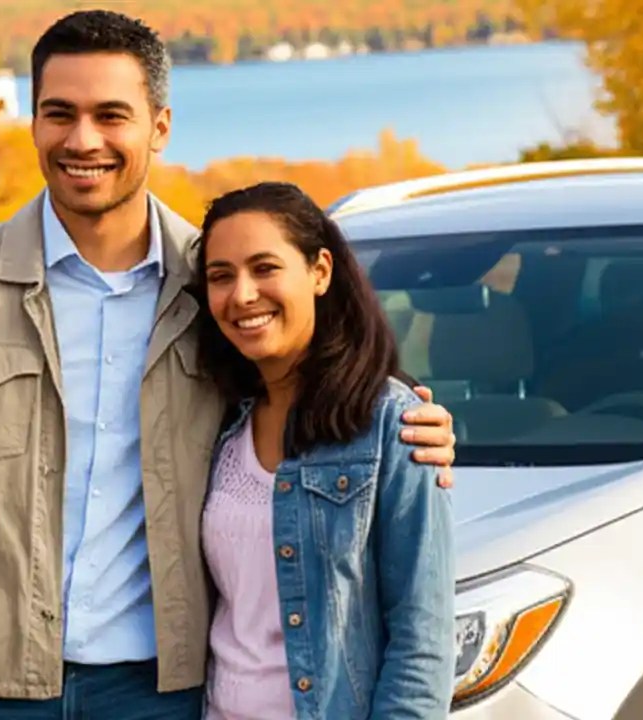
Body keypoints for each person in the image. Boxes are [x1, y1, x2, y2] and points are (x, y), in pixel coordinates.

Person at [0, 9, 457, 719]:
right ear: (33, 122)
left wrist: (408, 427)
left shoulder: (210, 285)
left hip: (160, 694)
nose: (82, 139)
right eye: (58, 113)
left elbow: (306, 389)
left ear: (159, 126)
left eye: (110, 115)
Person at [194, 182, 455, 719]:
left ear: (320, 271)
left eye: (265, 268)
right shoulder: (218, 423)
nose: (242, 295)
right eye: (222, 276)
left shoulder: (392, 423)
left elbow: (422, 639)